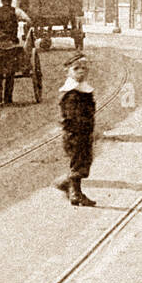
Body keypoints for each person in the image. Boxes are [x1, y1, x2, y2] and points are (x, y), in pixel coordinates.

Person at [55, 54, 97, 207]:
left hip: (83, 133)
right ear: (68, 71)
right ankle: (75, 193)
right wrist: (78, 131)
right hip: (75, 134)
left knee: (84, 161)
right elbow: (72, 117)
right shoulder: (71, 93)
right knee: (78, 163)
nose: (81, 71)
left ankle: (68, 184)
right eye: (76, 68)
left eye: (84, 68)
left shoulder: (83, 89)